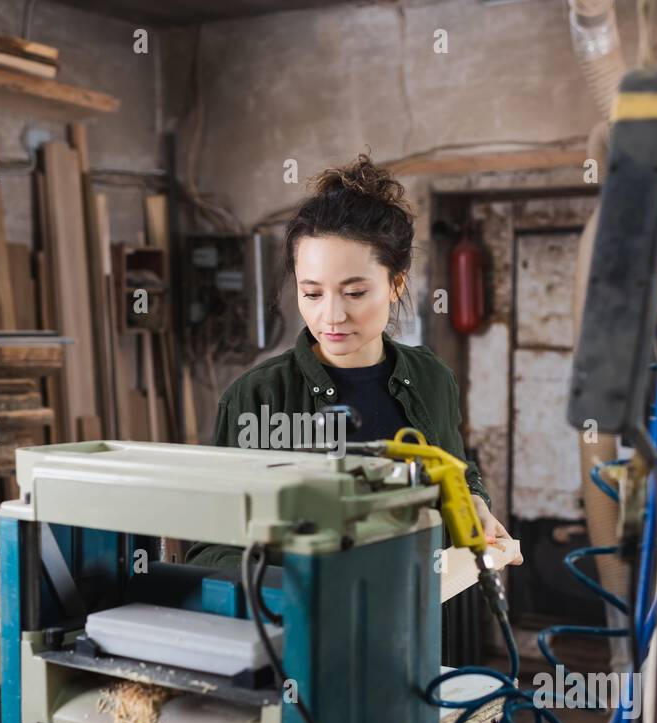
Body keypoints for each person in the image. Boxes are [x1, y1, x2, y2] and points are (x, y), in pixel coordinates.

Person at [188, 153, 508, 568]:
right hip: (299, 625)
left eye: (355, 293)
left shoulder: (432, 379)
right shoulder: (257, 397)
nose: (332, 316)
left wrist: (477, 506)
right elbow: (213, 547)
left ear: (395, 284)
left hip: (419, 615)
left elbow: (456, 476)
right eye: (312, 293)